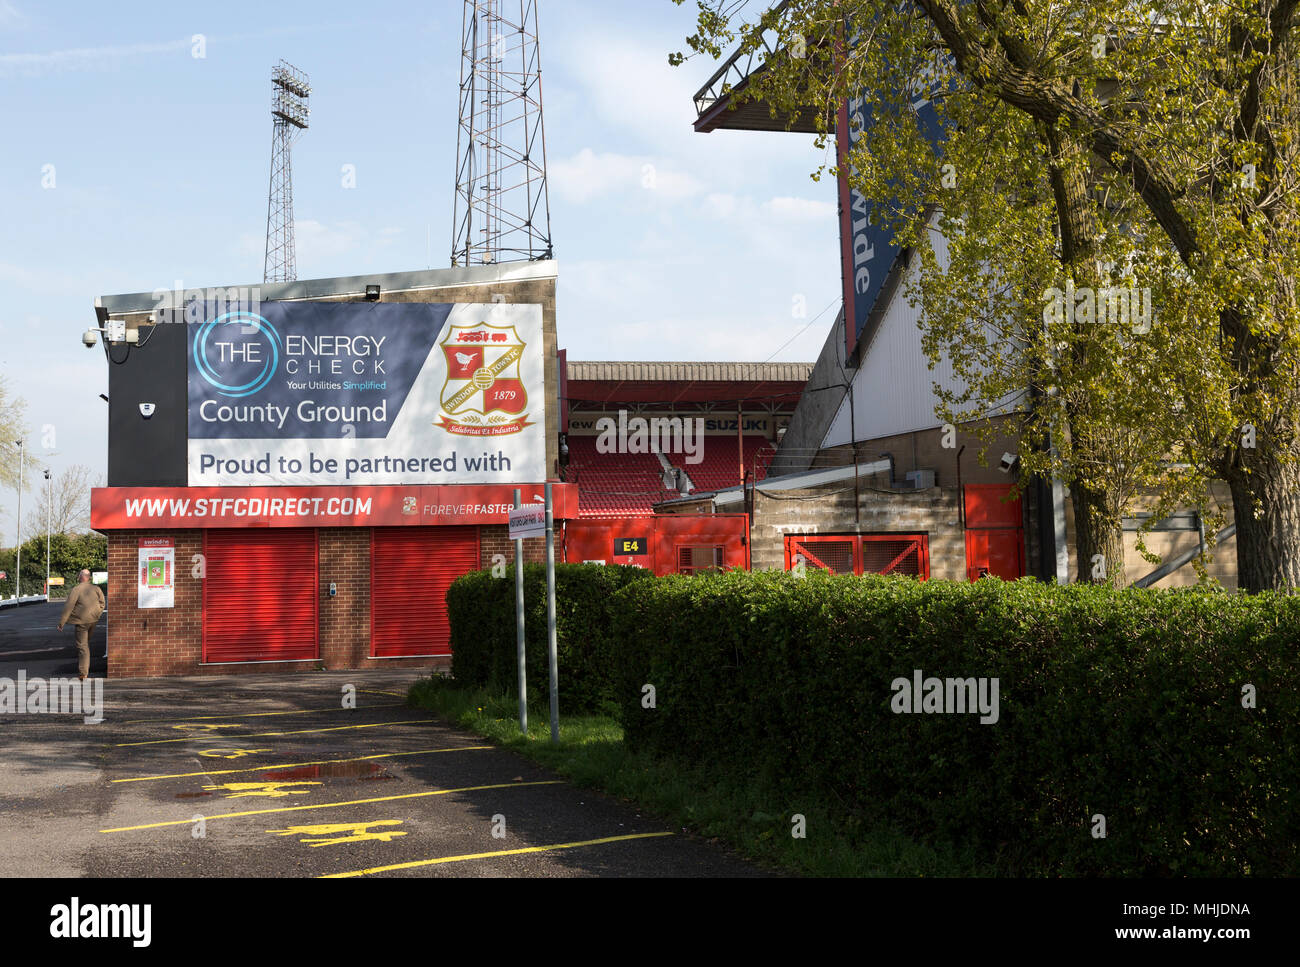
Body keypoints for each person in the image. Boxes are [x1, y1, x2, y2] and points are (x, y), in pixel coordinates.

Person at [57, 570, 105, 681]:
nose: (78, 577)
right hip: (93, 620)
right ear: (88, 578)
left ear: (81, 577)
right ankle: (85, 669)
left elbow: (69, 606)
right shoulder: (96, 589)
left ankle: (83, 673)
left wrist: (61, 623)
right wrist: (97, 614)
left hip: (81, 622)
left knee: (82, 647)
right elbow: (102, 603)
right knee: (85, 645)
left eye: (78, 575)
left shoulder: (76, 589)